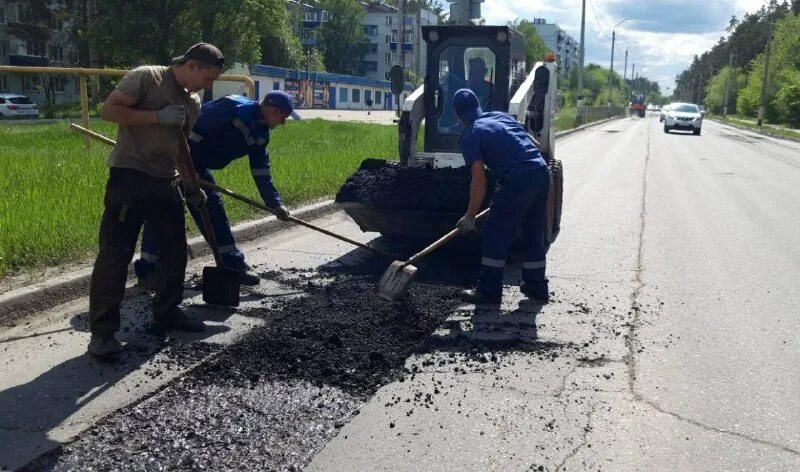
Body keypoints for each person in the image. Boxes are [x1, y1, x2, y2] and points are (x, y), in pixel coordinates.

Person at [87, 43, 224, 359]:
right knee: (115, 254)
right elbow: (108, 110)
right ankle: (103, 335)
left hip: (166, 181)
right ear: (191, 65)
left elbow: (180, 148)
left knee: (176, 251)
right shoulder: (148, 77)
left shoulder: (193, 102)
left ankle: (167, 311)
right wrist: (156, 116)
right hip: (130, 176)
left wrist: (191, 185)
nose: (209, 85)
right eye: (207, 77)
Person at [134, 90, 299, 287]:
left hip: (198, 166)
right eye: (284, 116)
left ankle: (232, 265)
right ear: (274, 110)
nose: (283, 123)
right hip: (169, 159)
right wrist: (185, 168)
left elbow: (261, 173)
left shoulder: (261, 134)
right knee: (163, 212)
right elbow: (188, 131)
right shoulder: (233, 107)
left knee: (214, 211)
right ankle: (148, 271)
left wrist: (276, 204)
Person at [452, 88, 551, 304]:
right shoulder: (500, 116)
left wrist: (470, 215)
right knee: (533, 231)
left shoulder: (471, 135)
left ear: (458, 115)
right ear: (478, 107)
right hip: (541, 172)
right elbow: (533, 143)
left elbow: (479, 181)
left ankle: (488, 291)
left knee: (495, 231)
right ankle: (537, 287)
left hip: (519, 178)